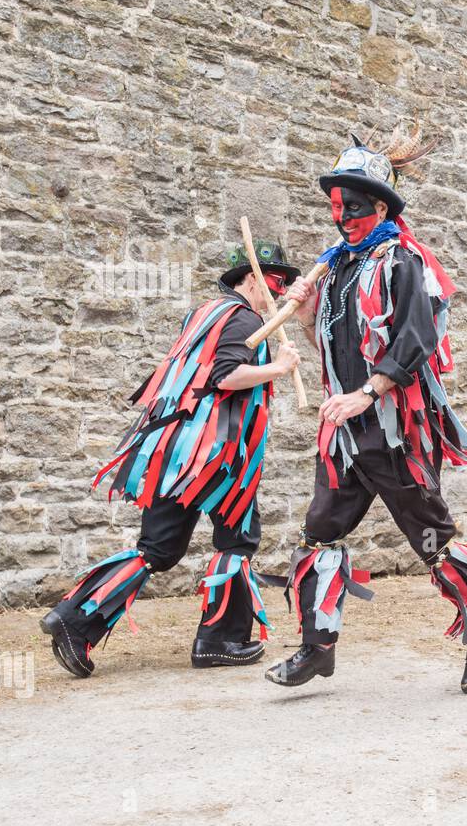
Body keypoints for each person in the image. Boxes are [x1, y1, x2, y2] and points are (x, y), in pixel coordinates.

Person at [268, 129, 467, 694]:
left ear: (380, 206)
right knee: (319, 534)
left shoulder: (402, 261)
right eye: (336, 207)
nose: (342, 217)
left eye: (352, 206)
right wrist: (306, 315)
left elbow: (416, 338)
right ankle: (316, 646)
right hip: (344, 432)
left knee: (430, 536)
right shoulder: (336, 270)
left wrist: (369, 392)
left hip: (393, 427)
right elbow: (328, 347)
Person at [40, 242, 303, 676]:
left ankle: (73, 620)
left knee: (157, 548)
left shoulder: (205, 313)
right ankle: (220, 640)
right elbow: (226, 377)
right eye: (276, 282)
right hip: (214, 454)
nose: (279, 291)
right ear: (251, 279)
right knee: (237, 540)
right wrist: (278, 367)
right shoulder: (243, 317)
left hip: (174, 447)